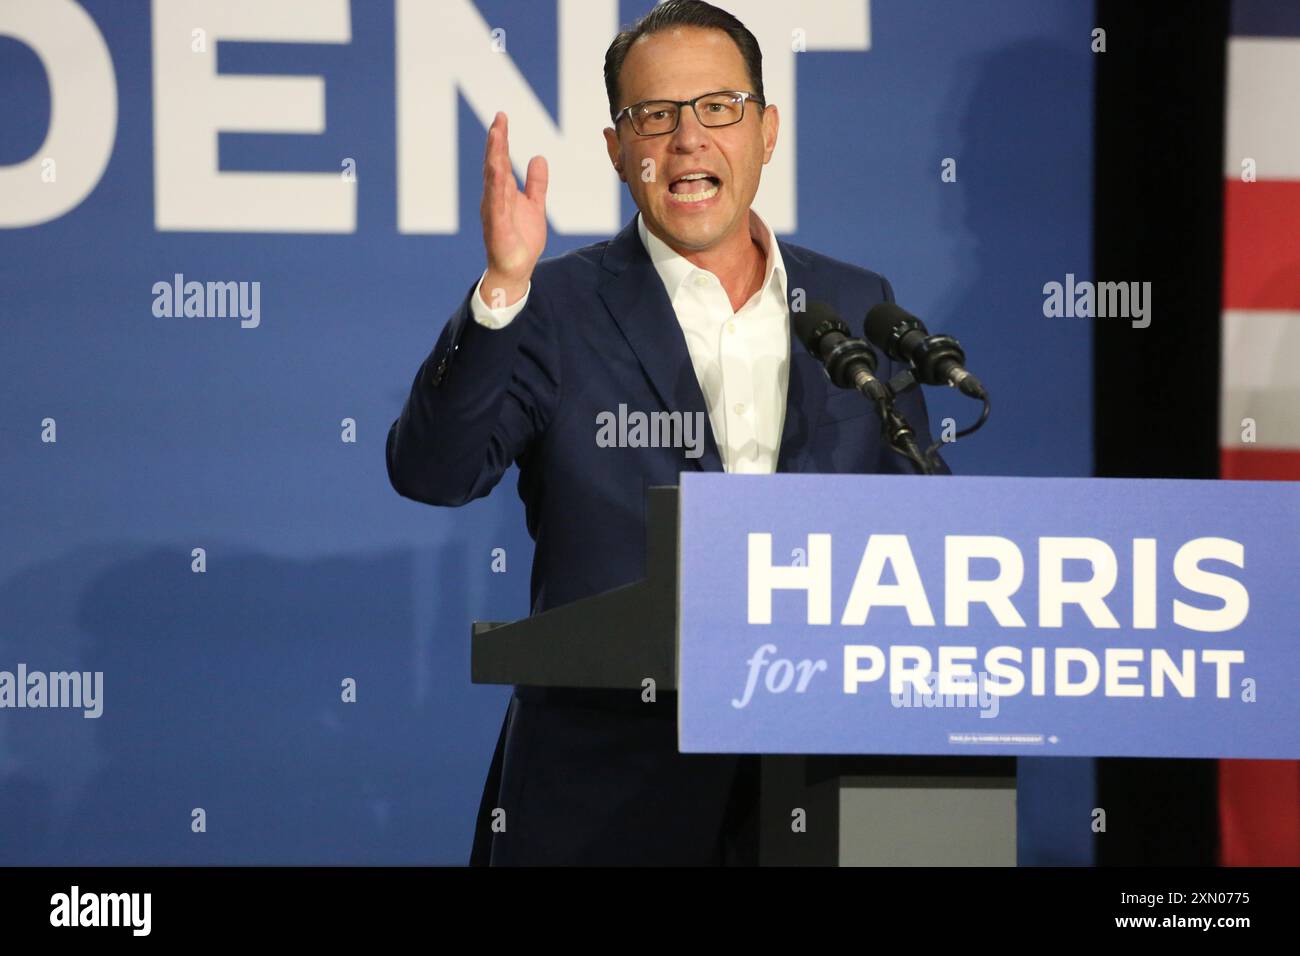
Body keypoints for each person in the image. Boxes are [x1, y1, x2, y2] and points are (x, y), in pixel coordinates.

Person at [386, 0, 948, 865]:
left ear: (766, 131)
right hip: (608, 787)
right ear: (618, 151)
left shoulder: (853, 302)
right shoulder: (556, 307)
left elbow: (918, 532)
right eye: (655, 116)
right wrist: (501, 287)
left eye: (719, 107)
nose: (688, 139)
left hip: (819, 780)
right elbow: (434, 471)